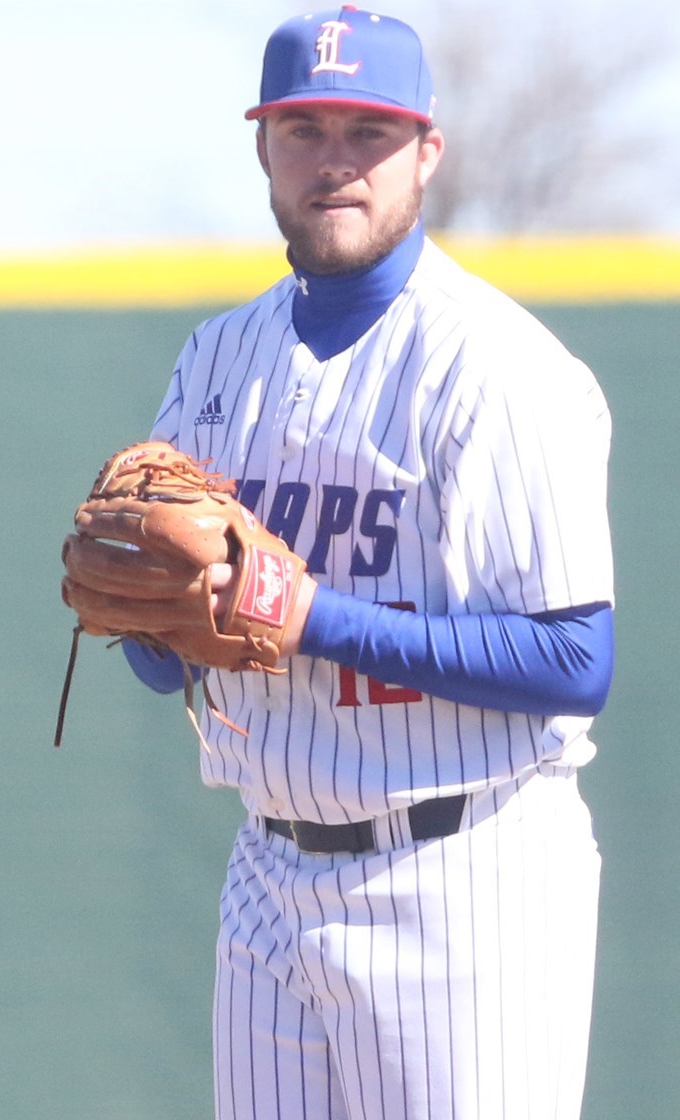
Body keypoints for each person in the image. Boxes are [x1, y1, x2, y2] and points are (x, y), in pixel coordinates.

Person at [65, 8, 618, 1118]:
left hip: (461, 870)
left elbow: (576, 659)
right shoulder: (218, 358)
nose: (335, 160)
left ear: (426, 150)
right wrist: (147, 620)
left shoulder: (499, 368)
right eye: (304, 129)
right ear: (263, 146)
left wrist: (311, 614)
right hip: (269, 870)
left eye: (369, 130)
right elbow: (181, 654)